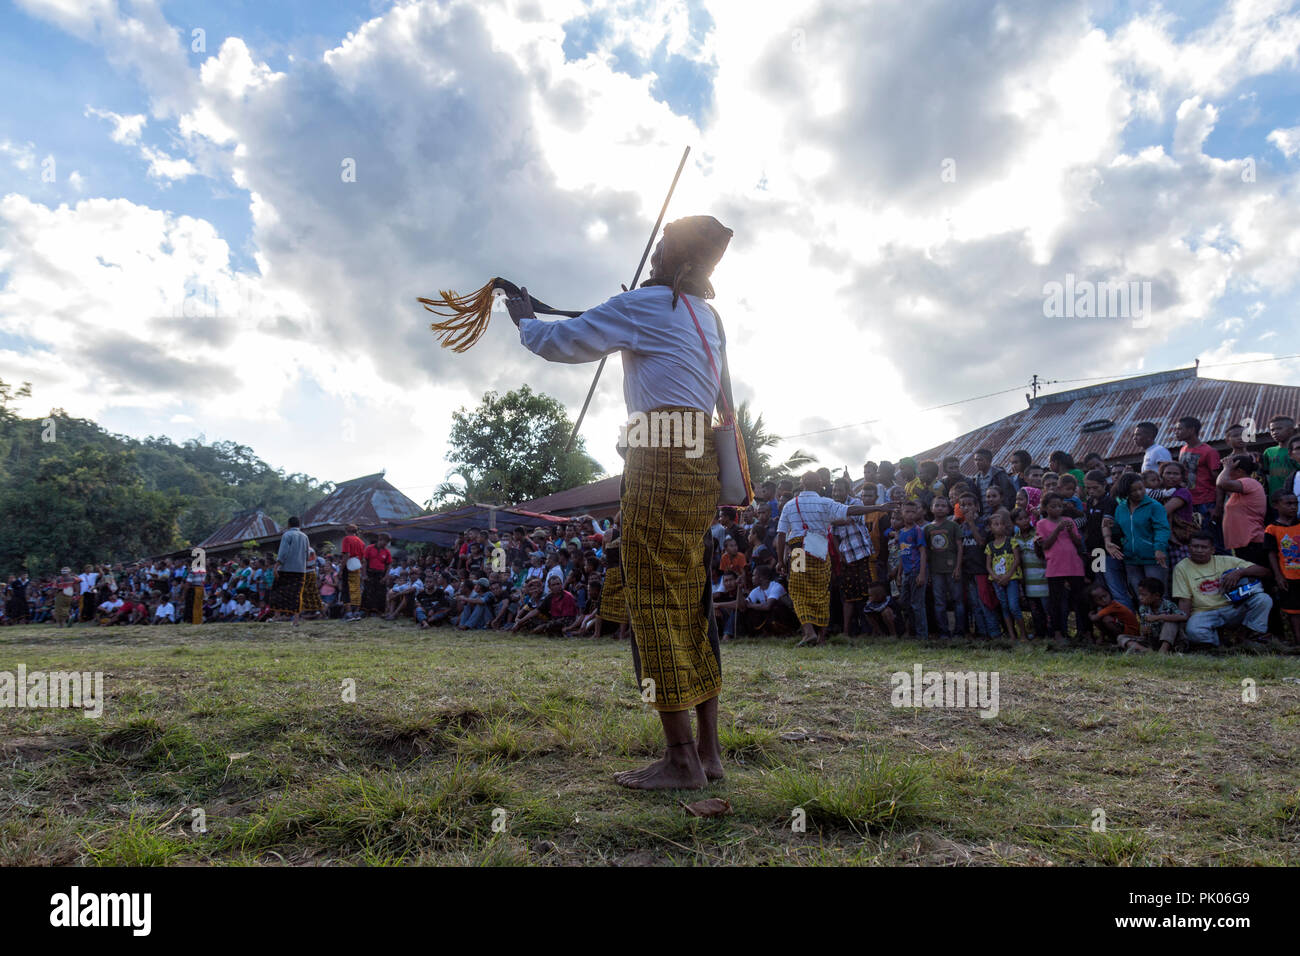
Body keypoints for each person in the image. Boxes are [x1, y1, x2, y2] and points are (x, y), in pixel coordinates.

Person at [511, 213, 735, 790]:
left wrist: (523, 317)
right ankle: (708, 753)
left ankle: (682, 762)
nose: (654, 257)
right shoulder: (707, 315)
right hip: (699, 459)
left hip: (658, 456)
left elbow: (558, 342)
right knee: (690, 597)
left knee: (654, 600)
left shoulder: (646, 305)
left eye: (662, 250)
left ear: (677, 261)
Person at [777, 471, 891, 646]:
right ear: (821, 484)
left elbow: (781, 534)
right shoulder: (825, 502)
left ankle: (808, 632)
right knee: (822, 593)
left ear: (802, 483)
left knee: (799, 591)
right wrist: (878, 507)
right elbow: (851, 510)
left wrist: (780, 560)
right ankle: (821, 637)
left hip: (799, 551)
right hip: (820, 551)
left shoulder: (790, 505)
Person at [1171, 532, 1272, 650]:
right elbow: (1184, 600)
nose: (1199, 550)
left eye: (1204, 547)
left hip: (1232, 608)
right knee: (1194, 631)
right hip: (1203, 612)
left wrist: (1240, 572)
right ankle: (1220, 646)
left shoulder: (1225, 561)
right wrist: (1184, 625)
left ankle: (1248, 636)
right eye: (1195, 546)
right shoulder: (1181, 567)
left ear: (1212, 550)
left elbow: (1265, 572)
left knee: (1263, 599)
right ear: (1188, 548)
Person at [1106, 472, 1170, 601]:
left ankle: (1165, 619)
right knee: (1140, 596)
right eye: (1133, 491)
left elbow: (1162, 528)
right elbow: (1121, 530)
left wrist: (1159, 548)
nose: (1139, 493)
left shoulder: (1154, 506)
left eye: (1141, 488)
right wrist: (1111, 527)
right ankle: (1146, 620)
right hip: (1131, 559)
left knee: (1158, 596)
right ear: (1126, 492)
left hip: (1153, 558)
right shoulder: (1121, 508)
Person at [1037, 493, 1085, 641]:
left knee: (1080, 600)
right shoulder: (1042, 524)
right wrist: (1057, 530)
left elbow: (1078, 543)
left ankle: (1084, 632)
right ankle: (1057, 632)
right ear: (1045, 508)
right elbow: (1045, 545)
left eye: (1060, 506)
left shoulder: (1069, 520)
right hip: (1055, 567)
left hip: (1074, 565)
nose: (1057, 509)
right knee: (1055, 602)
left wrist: (1070, 531)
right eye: (1053, 506)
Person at [1175, 415, 1222, 543]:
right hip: (1188, 502)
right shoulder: (1182, 450)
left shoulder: (1209, 451)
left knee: (1212, 541)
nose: (1176, 432)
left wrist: (1217, 507)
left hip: (1206, 503)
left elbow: (1219, 482)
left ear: (1191, 430)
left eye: (1180, 429)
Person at [1217, 455, 1268, 566]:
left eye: (1231, 470)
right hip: (1243, 543)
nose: (1227, 473)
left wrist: (1226, 468)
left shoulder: (1249, 482)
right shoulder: (1240, 489)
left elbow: (1221, 483)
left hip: (1251, 542)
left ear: (1239, 471)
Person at [1264, 491, 1300, 644]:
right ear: (1276, 505)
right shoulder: (1271, 529)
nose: (1293, 507)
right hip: (1288, 576)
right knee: (1294, 611)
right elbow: (1271, 554)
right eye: (1288, 504)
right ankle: (1298, 640)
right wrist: (1278, 575)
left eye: (1295, 503)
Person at [923, 496, 962, 639]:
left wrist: (958, 567)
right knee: (939, 602)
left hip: (952, 569)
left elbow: (959, 547)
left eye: (943, 506)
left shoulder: (953, 526)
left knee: (957, 600)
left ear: (948, 509)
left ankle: (959, 632)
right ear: (931, 509)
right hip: (935, 571)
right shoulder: (927, 528)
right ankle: (943, 632)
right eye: (937, 505)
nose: (940, 508)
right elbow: (925, 551)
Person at [985, 510, 1025, 640]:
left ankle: (1023, 635)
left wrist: (1008, 576)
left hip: (1011, 579)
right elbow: (988, 566)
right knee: (1005, 607)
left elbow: (1017, 560)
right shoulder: (990, 546)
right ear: (990, 528)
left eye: (1001, 524)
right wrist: (996, 577)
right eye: (995, 524)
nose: (999, 526)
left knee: (1014, 606)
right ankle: (1012, 635)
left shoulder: (1012, 541)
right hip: (997, 581)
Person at [270, 516, 310, 624]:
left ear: (288, 524)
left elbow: (283, 552)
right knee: (297, 594)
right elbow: (307, 553)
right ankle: (296, 620)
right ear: (299, 525)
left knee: (278, 591)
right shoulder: (304, 536)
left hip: (286, 568)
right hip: (300, 569)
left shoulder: (287, 535)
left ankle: (277, 616)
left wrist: (276, 565)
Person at [1134, 577, 1186, 653]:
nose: (1140, 598)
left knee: (1170, 623)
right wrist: (1143, 630)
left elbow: (1183, 617)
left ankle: (1164, 649)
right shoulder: (1143, 608)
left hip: (1172, 641)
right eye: (1139, 594)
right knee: (1121, 638)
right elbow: (1143, 627)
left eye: (1143, 595)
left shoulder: (1169, 605)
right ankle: (1146, 650)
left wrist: (1158, 617)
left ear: (1157, 596)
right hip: (1152, 640)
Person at [1085, 582, 1141, 649]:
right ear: (1094, 601)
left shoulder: (1113, 605)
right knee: (1101, 619)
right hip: (1122, 627)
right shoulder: (1102, 607)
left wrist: (1090, 615)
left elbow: (1094, 618)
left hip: (1132, 632)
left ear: (1109, 593)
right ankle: (1112, 638)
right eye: (1099, 599)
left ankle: (1118, 640)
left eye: (1105, 596)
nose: (1104, 600)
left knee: (1106, 619)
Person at [1262, 415, 1298, 500]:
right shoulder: (1269, 452)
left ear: (1291, 430)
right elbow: (1264, 475)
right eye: (1272, 430)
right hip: (1274, 500)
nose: (1275, 432)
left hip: (1294, 499)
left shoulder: (1296, 452)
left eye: (1279, 428)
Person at [339, 524, 366, 620]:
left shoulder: (347, 539)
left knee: (346, 589)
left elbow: (346, 555)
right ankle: (356, 612)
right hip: (357, 566)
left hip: (348, 566)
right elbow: (363, 559)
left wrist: (341, 569)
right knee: (356, 589)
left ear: (346, 531)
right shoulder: (361, 542)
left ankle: (349, 613)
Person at [361, 533, 392, 617]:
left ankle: (377, 611)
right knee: (368, 592)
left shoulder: (387, 552)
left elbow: (388, 565)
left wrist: (386, 577)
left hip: (381, 574)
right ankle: (365, 611)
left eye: (387, 542)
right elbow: (364, 562)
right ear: (380, 540)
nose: (385, 544)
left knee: (380, 593)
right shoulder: (369, 548)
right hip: (370, 573)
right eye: (385, 542)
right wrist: (364, 575)